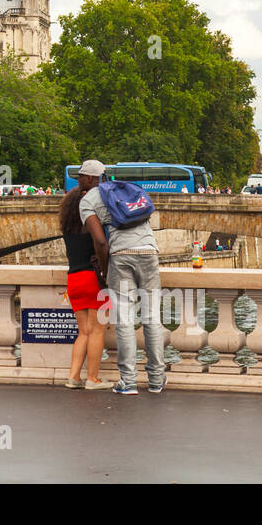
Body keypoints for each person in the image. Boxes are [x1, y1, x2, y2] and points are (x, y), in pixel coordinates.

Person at [78, 159, 166, 395]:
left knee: (125, 320)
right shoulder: (127, 188)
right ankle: (157, 379)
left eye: (80, 177)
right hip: (149, 252)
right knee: (152, 317)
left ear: (89, 178)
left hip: (121, 256)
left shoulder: (87, 200)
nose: (78, 181)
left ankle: (128, 382)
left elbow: (99, 241)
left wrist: (106, 271)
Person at [60, 187, 112, 390]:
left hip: (73, 280)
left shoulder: (67, 227)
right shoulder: (92, 225)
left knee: (83, 332)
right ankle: (93, 378)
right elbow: (101, 245)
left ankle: (73, 377)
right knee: (97, 331)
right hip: (94, 279)